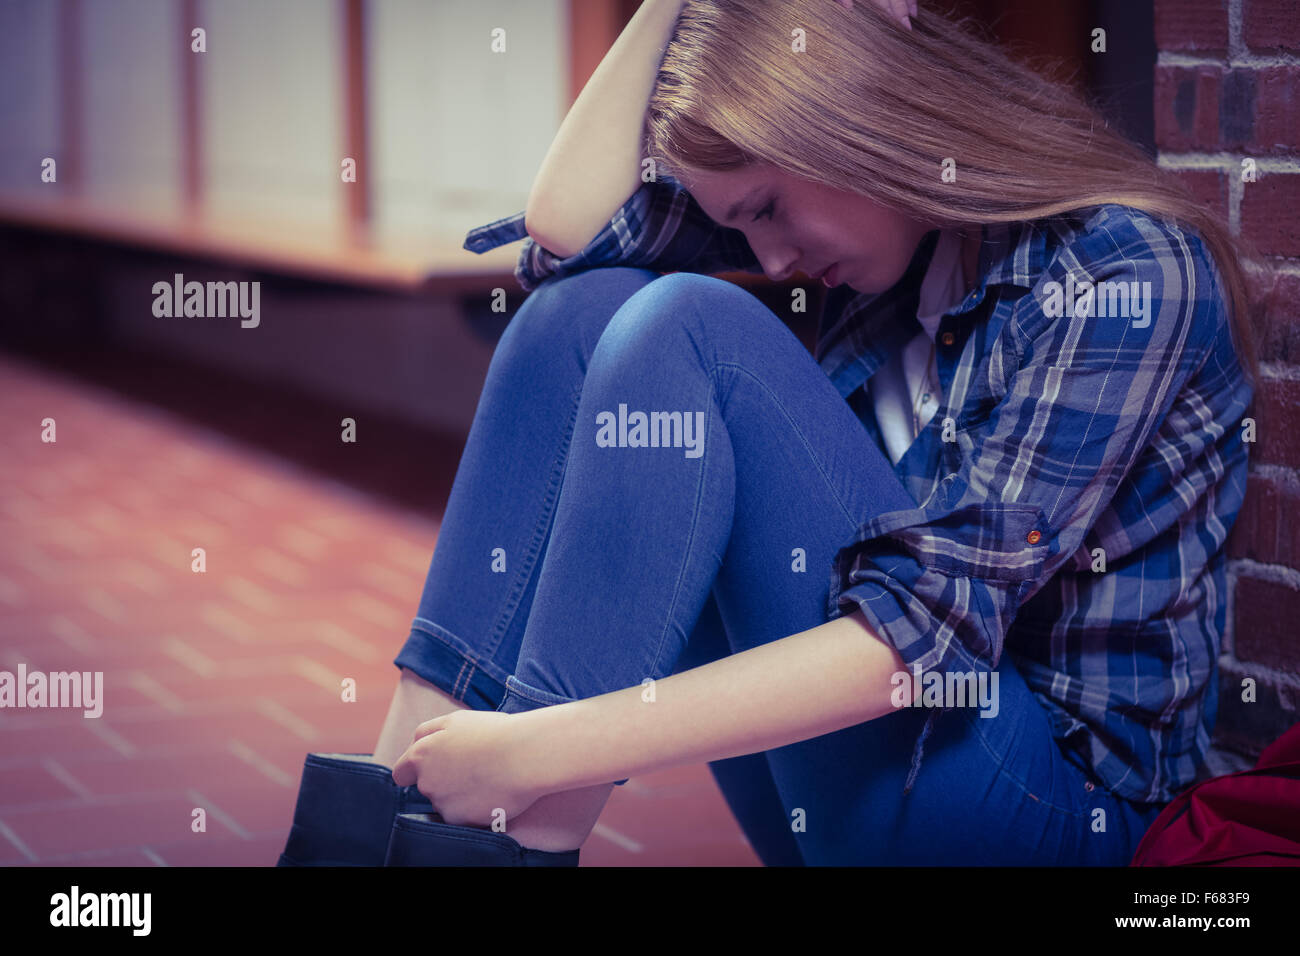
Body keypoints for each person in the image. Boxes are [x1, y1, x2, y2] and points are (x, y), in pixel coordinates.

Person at [278, 0, 1258, 866]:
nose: (772, 254)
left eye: (766, 209)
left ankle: (521, 838)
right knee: (576, 314)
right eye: (740, 226)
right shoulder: (899, 250)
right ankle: (387, 796)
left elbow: (911, 644)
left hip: (1051, 811)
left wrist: (536, 750)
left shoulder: (1119, 274)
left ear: (858, 117)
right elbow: (569, 227)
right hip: (876, 775)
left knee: (692, 331)